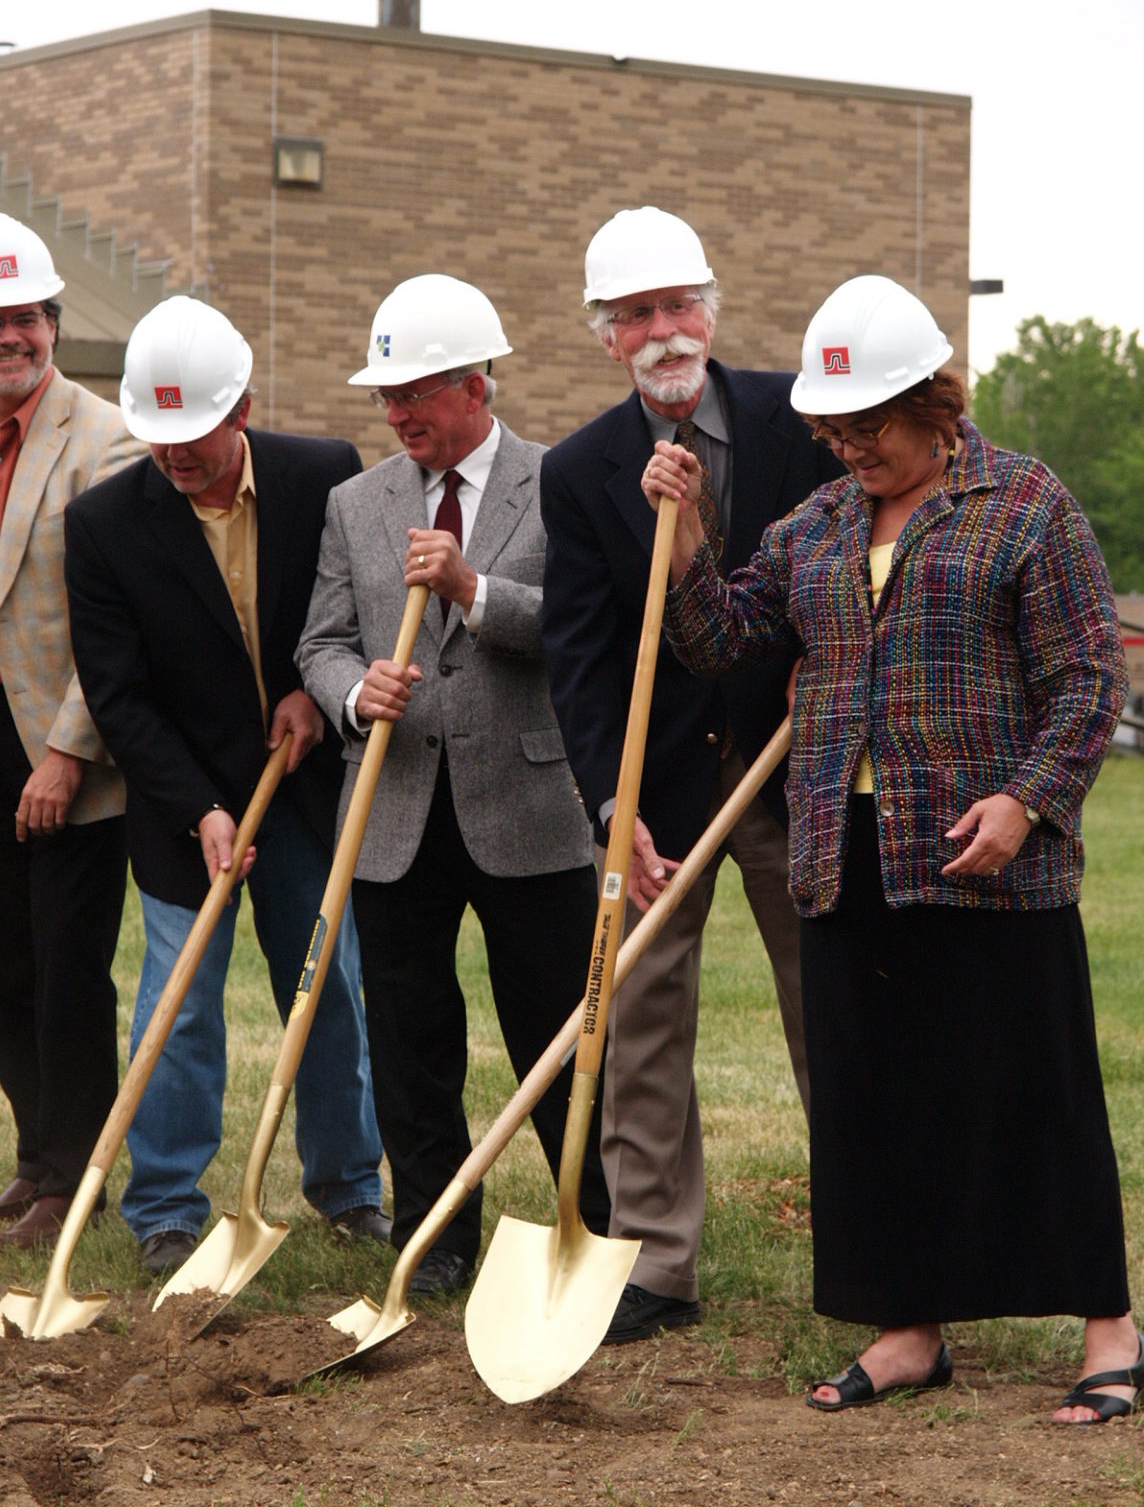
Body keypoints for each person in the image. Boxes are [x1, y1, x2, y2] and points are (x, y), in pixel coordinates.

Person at [642, 273, 1140, 1425]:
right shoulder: (816, 523)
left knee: (1038, 1092)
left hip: (988, 855)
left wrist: (1026, 802)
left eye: (869, 426)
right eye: (835, 431)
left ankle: (1110, 1329)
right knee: (874, 1101)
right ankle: (908, 1329)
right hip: (843, 851)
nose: (852, 449)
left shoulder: (1026, 502)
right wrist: (689, 539)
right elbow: (722, 640)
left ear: (931, 403)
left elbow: (1087, 681)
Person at [540, 207, 842, 1342]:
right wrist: (611, 807)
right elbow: (578, 653)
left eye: (677, 306)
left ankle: (873, 1241)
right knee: (640, 1019)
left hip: (791, 765)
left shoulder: (798, 418)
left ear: (710, 312)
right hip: (658, 787)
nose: (662, 330)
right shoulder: (580, 471)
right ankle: (656, 1262)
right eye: (636, 315)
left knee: (830, 1006)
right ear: (605, 336)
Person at [296, 273, 609, 1297]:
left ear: (475, 384)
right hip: (392, 814)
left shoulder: (560, 481)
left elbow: (580, 628)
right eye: (386, 398)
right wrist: (355, 693)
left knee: (555, 1027)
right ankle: (434, 1236)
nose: (396, 415)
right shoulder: (356, 503)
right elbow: (321, 643)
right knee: (409, 1035)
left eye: (413, 394)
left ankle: (597, 1221)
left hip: (527, 806)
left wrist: (474, 590)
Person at [64, 296, 387, 1275]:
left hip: (302, 789)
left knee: (326, 987)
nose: (173, 455)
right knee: (180, 1005)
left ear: (241, 409)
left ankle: (349, 1187)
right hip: (182, 805)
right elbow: (119, 698)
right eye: (157, 436)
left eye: (193, 433)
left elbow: (353, 616)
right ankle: (165, 1205)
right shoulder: (103, 525)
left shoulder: (323, 476)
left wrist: (313, 695)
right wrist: (199, 808)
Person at [0, 213, 142, 1249]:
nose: (12, 336)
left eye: (29, 318)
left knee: (64, 965)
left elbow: (122, 624)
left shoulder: (106, 440)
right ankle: (37, 1153)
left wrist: (65, 750)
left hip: (63, 745)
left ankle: (73, 1177)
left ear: (53, 322)